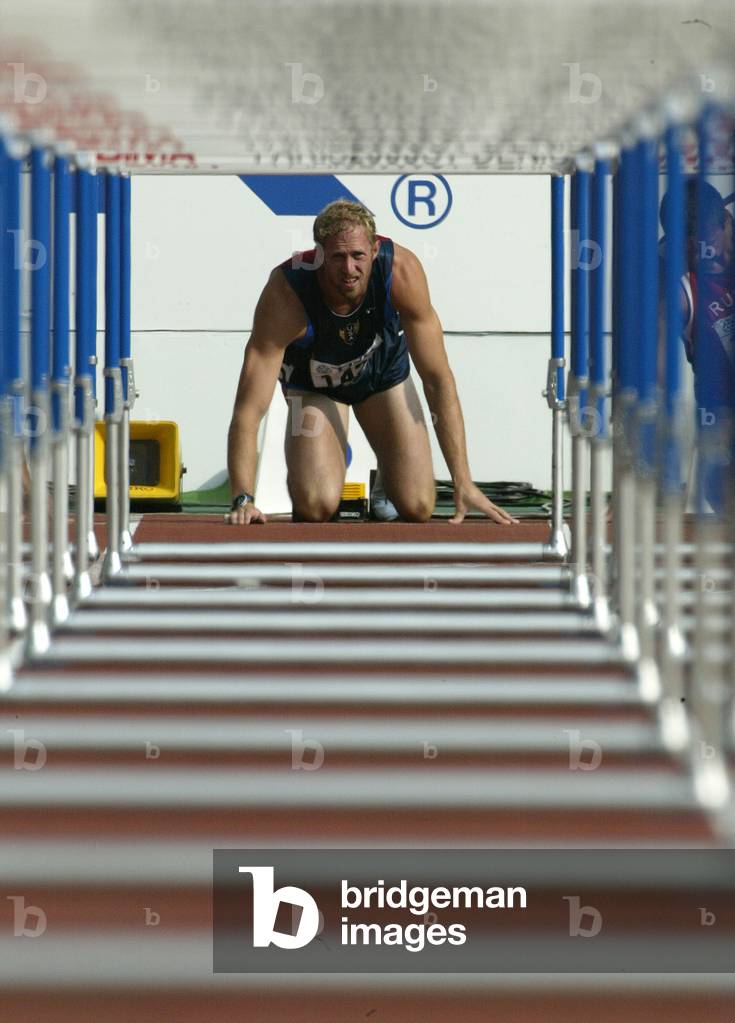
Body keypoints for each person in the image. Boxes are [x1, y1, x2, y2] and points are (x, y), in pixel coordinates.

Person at [226, 199, 518, 527]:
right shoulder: (286, 292)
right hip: (315, 386)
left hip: (381, 375)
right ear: (319, 255)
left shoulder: (401, 271)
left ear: (375, 250)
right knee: (316, 506)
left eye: (357, 256)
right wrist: (243, 498)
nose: (349, 269)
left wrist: (463, 481)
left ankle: (387, 474)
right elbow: (249, 410)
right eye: (337, 257)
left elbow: (437, 379)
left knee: (418, 506)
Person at [659, 179, 734, 511]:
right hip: (718, 408)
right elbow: (653, 376)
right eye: (686, 249)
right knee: (719, 488)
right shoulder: (671, 287)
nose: (699, 256)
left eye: (706, 246)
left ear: (723, 226)